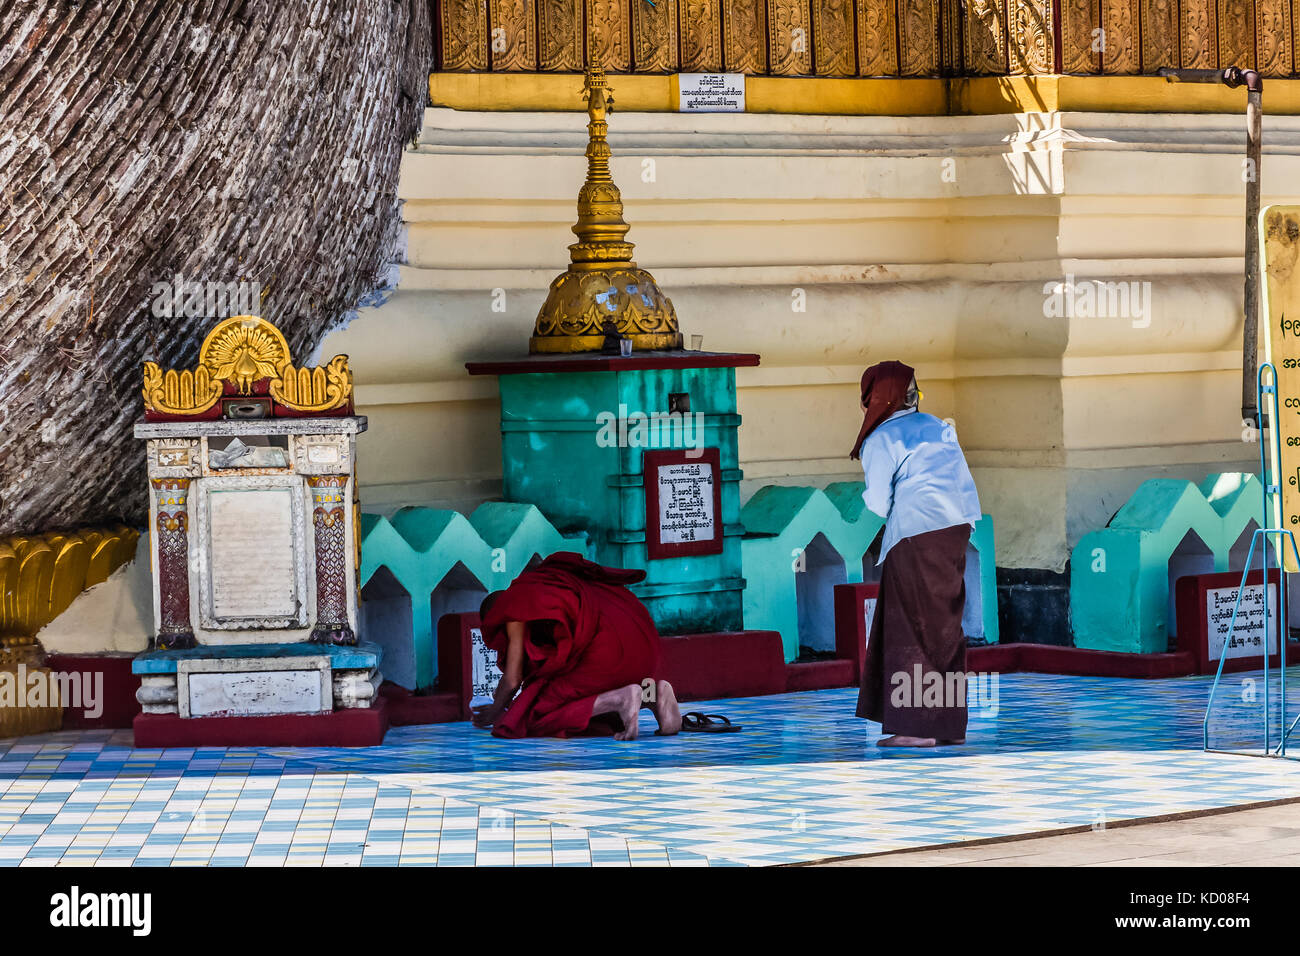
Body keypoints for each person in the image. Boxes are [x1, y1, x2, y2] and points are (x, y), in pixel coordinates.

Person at [850, 360, 981, 748]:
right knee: (944, 622)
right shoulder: (940, 426)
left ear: (872, 399)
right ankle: (948, 726)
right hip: (957, 528)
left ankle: (915, 729)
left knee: (910, 623)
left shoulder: (882, 438)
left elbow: (876, 502)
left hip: (916, 533)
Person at [473, 551, 682, 740]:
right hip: (644, 648)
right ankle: (654, 695)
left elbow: (512, 679)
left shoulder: (513, 605)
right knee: (585, 694)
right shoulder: (549, 582)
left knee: (535, 711)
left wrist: (495, 709)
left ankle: (622, 698)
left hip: (604, 654)